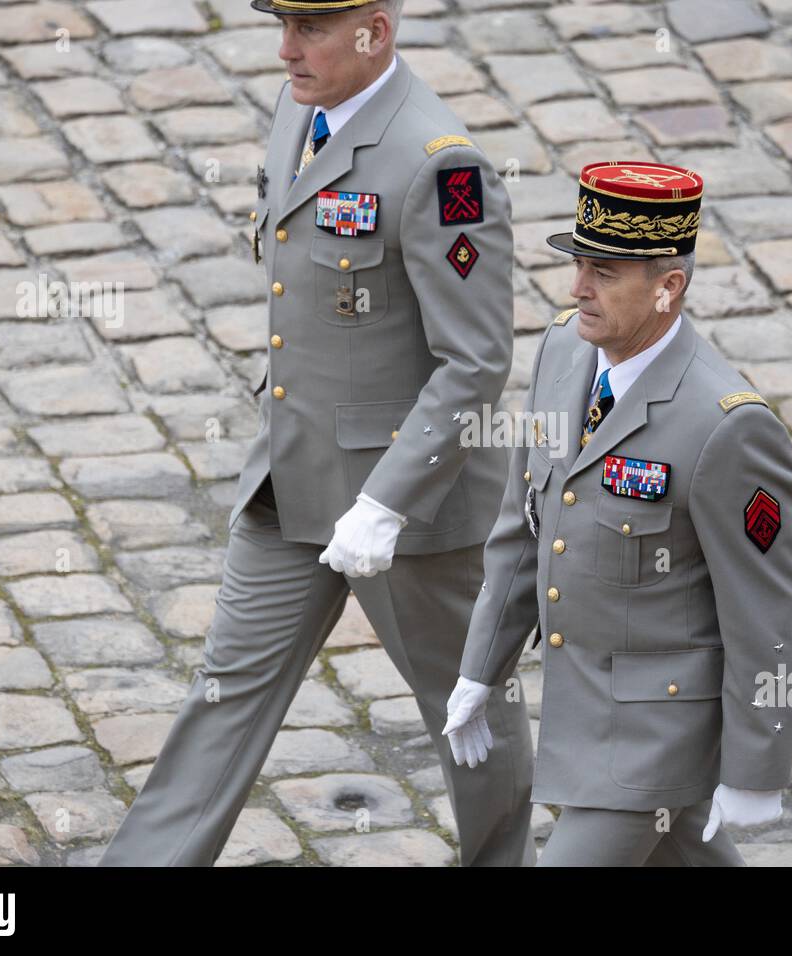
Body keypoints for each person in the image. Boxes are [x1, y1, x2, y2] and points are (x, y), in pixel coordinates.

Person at [100, 0, 534, 867]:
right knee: (223, 697)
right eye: (284, 24)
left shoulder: (442, 169)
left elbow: (474, 365)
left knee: (468, 715)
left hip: (409, 515)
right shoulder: (300, 109)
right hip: (290, 482)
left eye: (310, 29)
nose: (284, 49)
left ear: (375, 29)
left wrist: (385, 503)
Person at [441, 162, 792, 865]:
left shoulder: (725, 426)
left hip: (654, 739)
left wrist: (755, 767)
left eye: (604, 273)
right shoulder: (562, 352)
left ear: (668, 288)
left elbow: (769, 610)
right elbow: (524, 528)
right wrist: (479, 669)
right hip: (587, 714)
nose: (578, 288)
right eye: (579, 265)